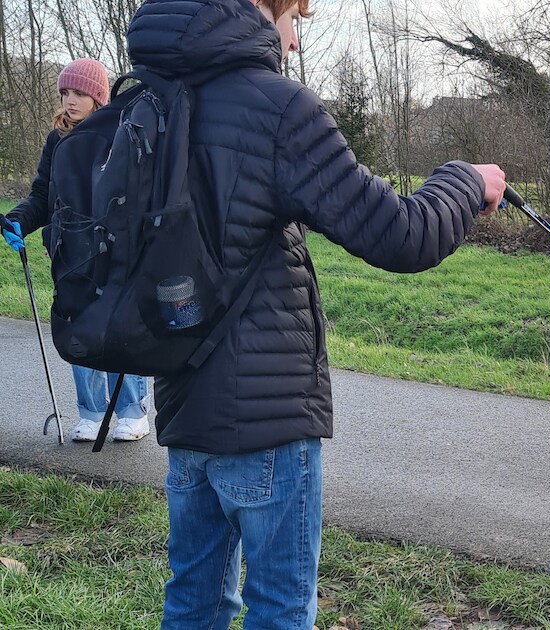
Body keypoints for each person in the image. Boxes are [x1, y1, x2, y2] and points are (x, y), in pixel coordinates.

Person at [112, 0, 505, 628]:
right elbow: (399, 234)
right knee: (279, 612)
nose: (293, 42)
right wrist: (464, 179)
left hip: (184, 413)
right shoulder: (278, 109)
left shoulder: (140, 102)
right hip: (267, 430)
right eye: (293, 17)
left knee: (194, 602)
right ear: (261, 7)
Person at [2, 58, 152, 443]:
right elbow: (41, 195)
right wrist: (18, 219)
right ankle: (91, 412)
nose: (70, 101)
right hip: (69, 252)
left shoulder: (122, 132)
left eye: (79, 93)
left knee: (118, 327)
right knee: (78, 325)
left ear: (98, 96)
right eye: (65, 93)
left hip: (115, 250)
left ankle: (132, 412)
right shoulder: (58, 140)